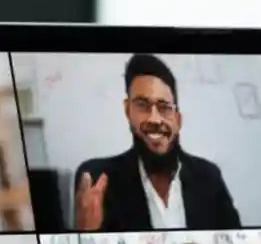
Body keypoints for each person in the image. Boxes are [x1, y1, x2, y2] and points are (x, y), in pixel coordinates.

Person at [73, 54, 241, 232]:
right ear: (128, 111)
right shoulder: (97, 180)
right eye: (143, 105)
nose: (154, 119)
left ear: (178, 119)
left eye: (164, 107)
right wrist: (86, 233)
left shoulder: (209, 178)